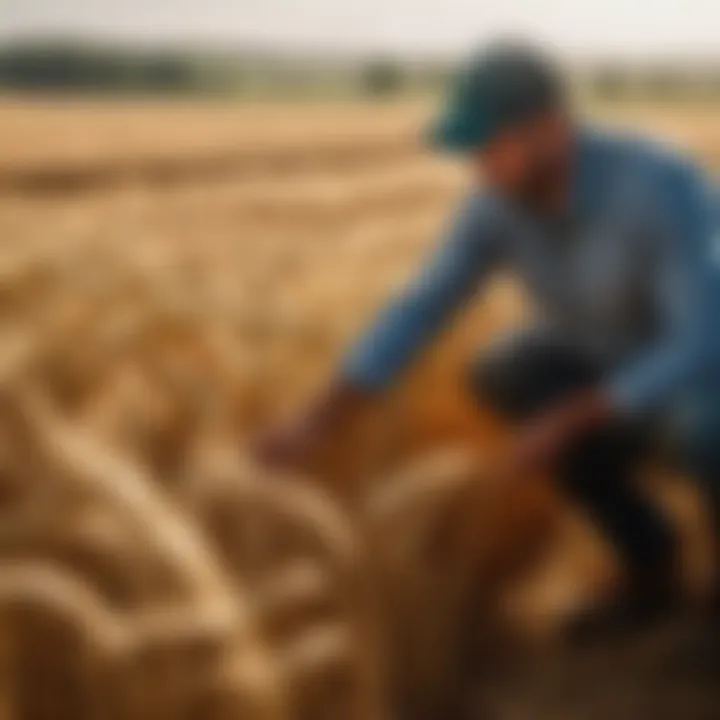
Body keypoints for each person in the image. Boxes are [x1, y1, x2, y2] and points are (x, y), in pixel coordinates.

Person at [257, 41, 720, 626]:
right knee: (502, 372)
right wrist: (317, 420)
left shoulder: (660, 186)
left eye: (491, 145)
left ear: (552, 130)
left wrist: (574, 416)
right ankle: (649, 558)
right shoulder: (496, 202)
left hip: (702, 365)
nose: (478, 165)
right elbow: (422, 306)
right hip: (602, 356)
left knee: (708, 428)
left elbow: (704, 336)